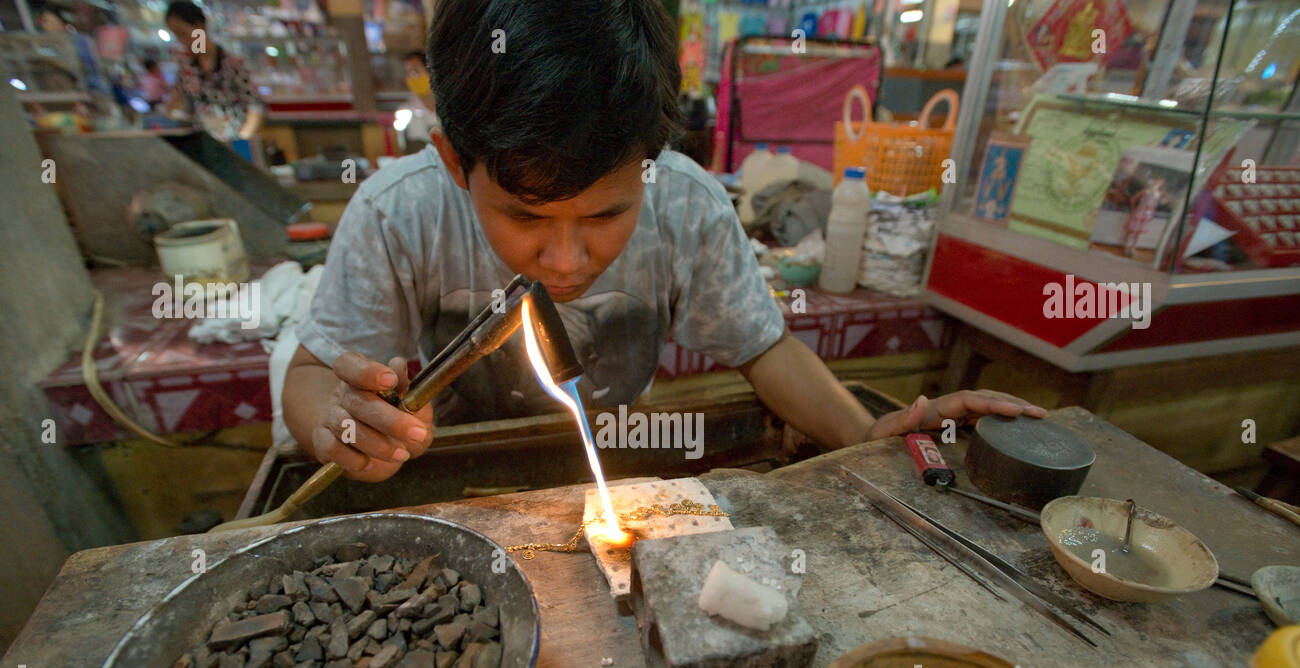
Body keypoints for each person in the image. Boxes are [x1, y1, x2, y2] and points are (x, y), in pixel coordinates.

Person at [284, 0, 1044, 483]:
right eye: (525, 217)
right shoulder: (399, 213)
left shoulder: (685, 203)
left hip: (620, 462)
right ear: (456, 161)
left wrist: (866, 432)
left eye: (606, 216)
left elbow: (765, 348)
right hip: (463, 470)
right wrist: (331, 420)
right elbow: (311, 377)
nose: (568, 261)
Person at [163, 1, 264, 143]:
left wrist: (242, 140)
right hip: (202, 143)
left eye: (183, 34)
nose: (182, 41)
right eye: (177, 36)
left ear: (199, 26)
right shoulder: (186, 66)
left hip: (233, 143)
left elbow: (255, 106)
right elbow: (180, 100)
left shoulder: (232, 63)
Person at [399, 50, 439, 152]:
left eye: (415, 71)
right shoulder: (406, 112)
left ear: (431, 72)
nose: (412, 78)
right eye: (407, 73)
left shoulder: (452, 107)